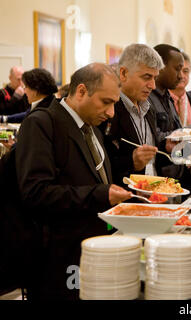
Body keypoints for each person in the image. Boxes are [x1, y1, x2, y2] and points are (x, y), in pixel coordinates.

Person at [16, 63, 133, 300]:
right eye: (106, 102)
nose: (111, 112)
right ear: (81, 91)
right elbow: (35, 193)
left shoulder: (92, 126)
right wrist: (100, 194)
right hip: (57, 258)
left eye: (114, 103)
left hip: (94, 247)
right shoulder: (42, 123)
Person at [100, 43, 162, 185]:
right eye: (147, 77)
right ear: (123, 74)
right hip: (126, 198)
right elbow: (100, 164)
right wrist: (131, 162)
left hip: (156, 193)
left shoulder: (148, 107)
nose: (153, 85)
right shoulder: (109, 110)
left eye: (155, 78)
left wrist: (167, 146)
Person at [149, 44, 191, 193]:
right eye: (177, 69)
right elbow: (156, 139)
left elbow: (177, 131)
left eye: (184, 70)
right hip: (161, 179)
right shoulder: (148, 99)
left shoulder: (167, 96)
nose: (180, 75)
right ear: (160, 67)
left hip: (178, 175)